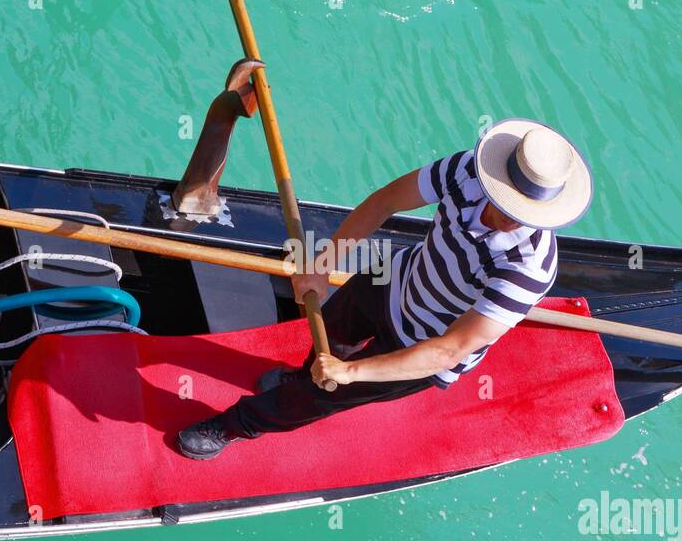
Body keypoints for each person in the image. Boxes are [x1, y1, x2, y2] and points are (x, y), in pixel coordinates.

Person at [176, 118, 593, 460]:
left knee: (320, 395)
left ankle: (234, 425)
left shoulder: (528, 268)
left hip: (425, 344)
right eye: (506, 202)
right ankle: (304, 375)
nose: (511, 217)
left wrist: (351, 372)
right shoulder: (467, 170)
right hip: (395, 279)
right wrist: (323, 267)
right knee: (331, 337)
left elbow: (449, 350)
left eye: (524, 212)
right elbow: (385, 202)